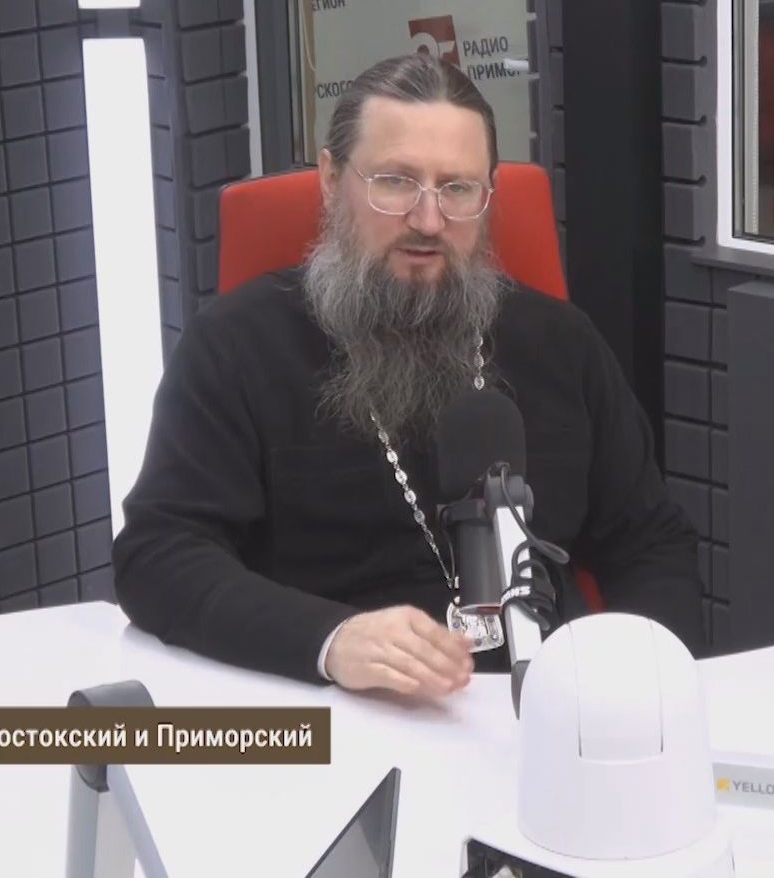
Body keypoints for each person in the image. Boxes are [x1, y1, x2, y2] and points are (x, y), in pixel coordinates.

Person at [112, 51, 704, 698]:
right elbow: (159, 554)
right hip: (339, 710)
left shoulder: (561, 343)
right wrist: (331, 640)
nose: (428, 220)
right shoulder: (237, 345)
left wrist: (642, 689)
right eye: (395, 182)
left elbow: (651, 543)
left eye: (457, 188)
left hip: (546, 707)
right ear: (331, 180)